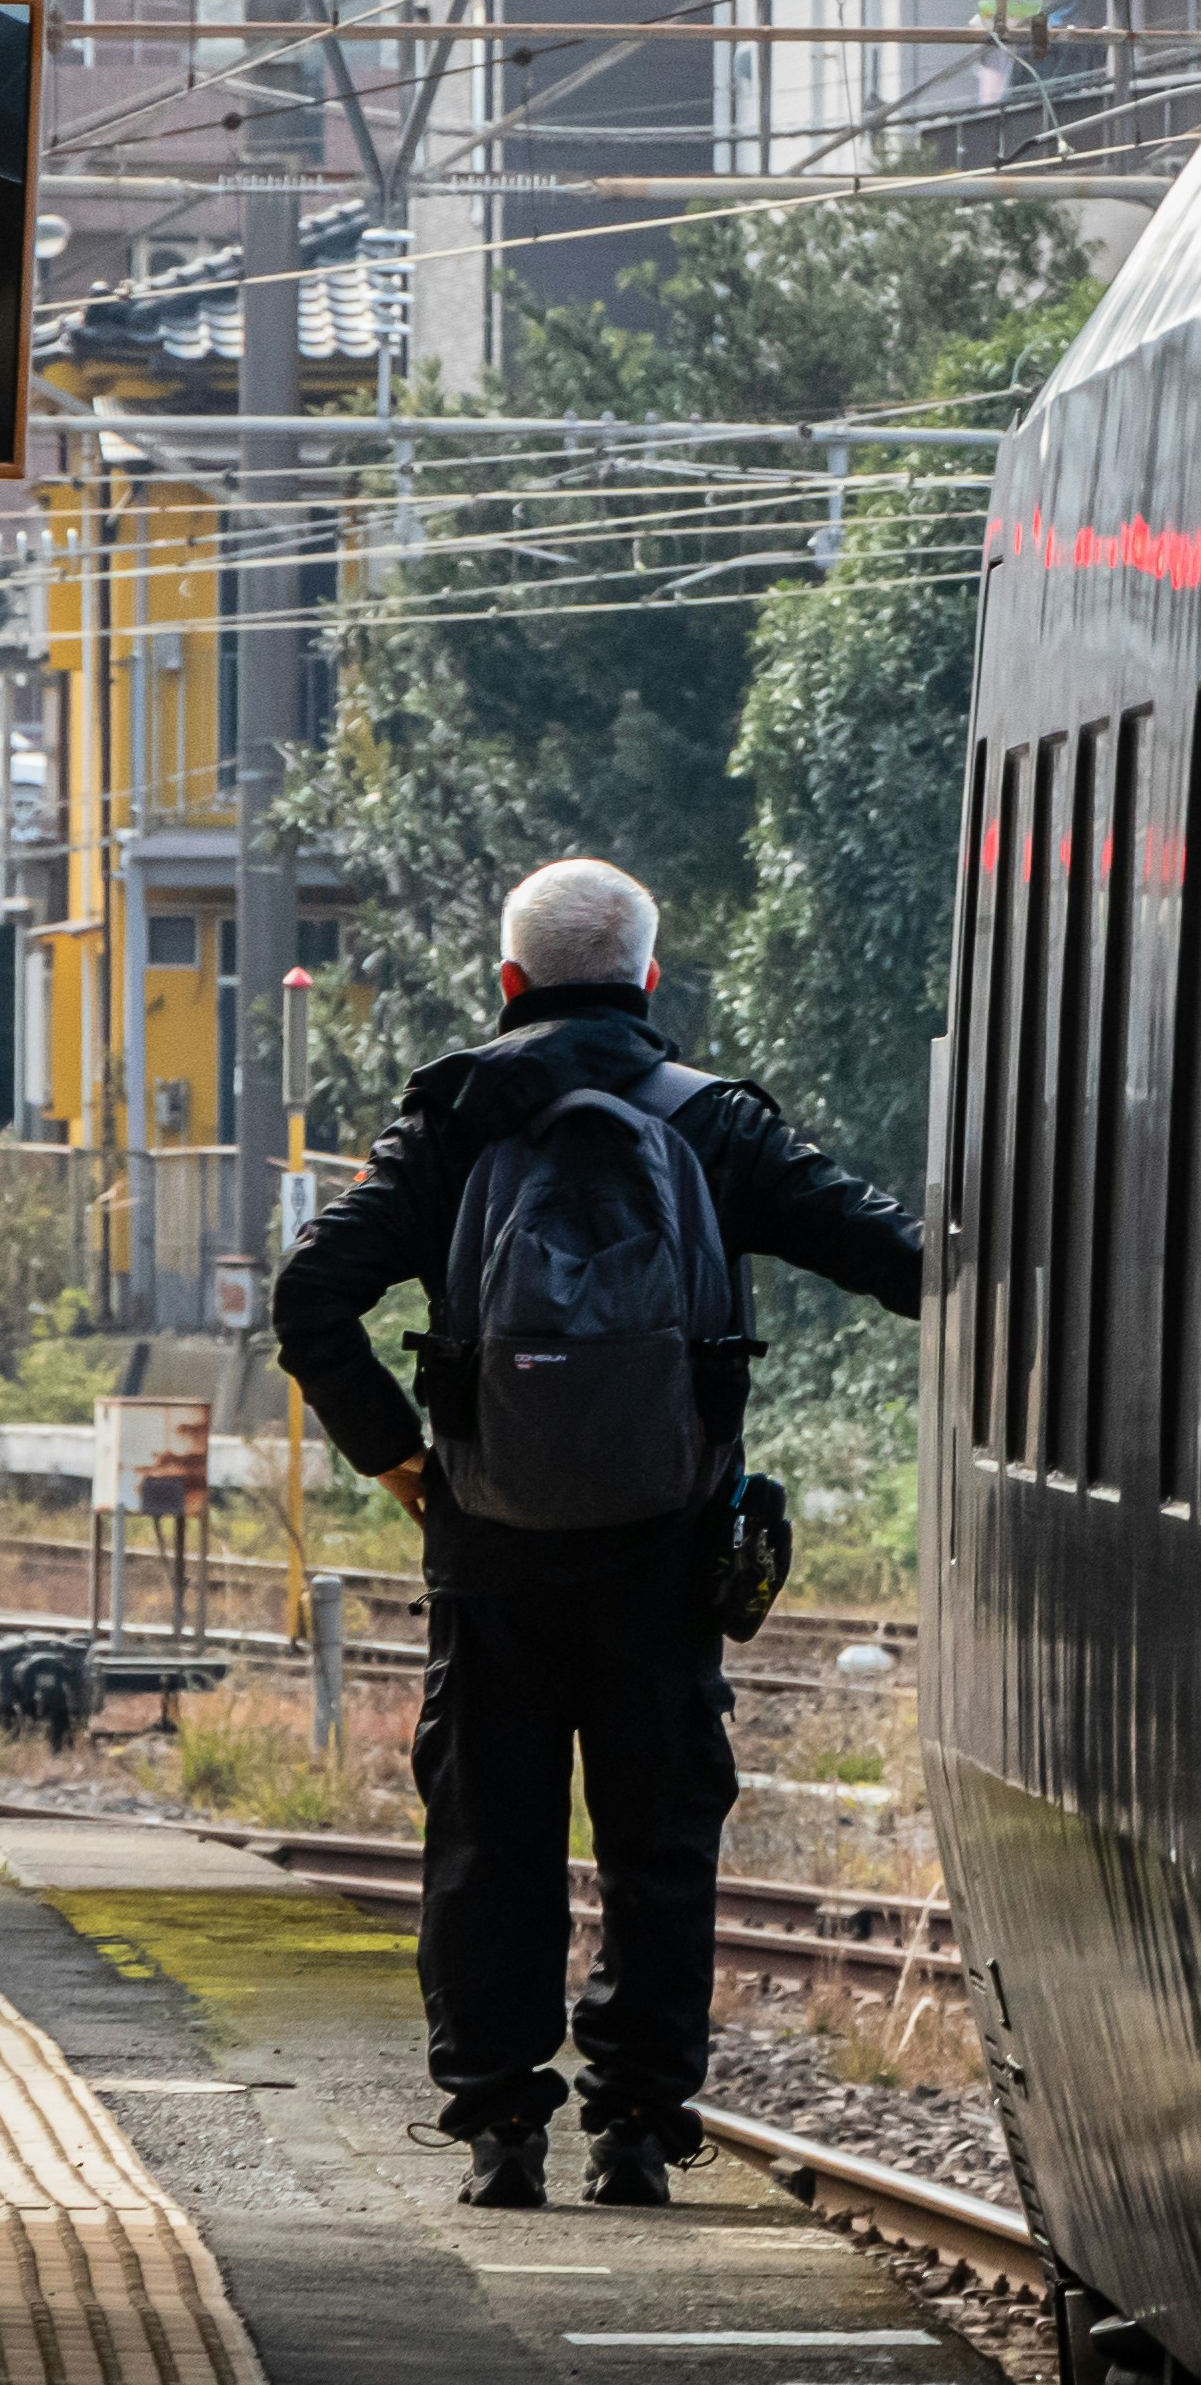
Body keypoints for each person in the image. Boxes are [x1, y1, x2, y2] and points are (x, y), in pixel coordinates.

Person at [270, 860, 923, 2209]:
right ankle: (636, 2124)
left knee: (486, 1831)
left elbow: (311, 1294)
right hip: (665, 1542)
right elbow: (903, 1258)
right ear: (649, 978)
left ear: (506, 982)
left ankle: (501, 2123)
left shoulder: (447, 1123)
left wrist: (402, 1461)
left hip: (490, 1545)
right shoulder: (717, 1125)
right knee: (661, 1833)